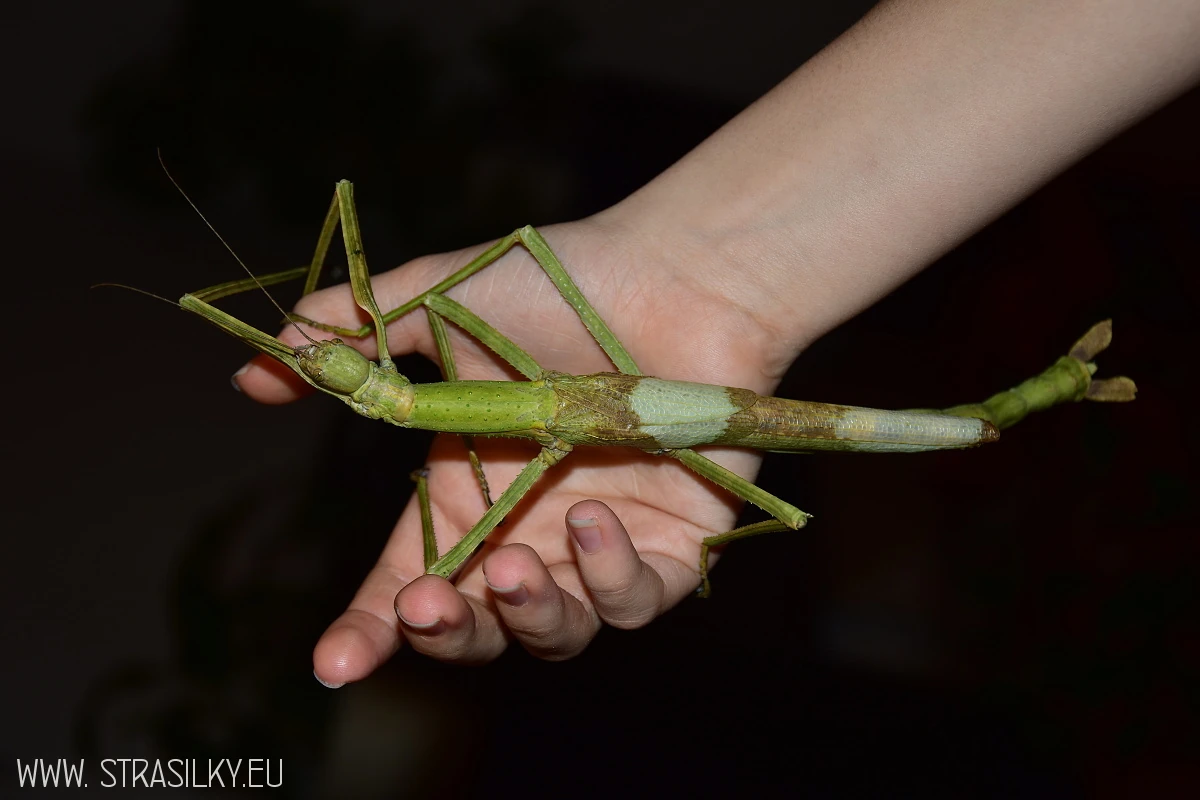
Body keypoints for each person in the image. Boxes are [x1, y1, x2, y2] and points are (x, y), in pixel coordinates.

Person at [232, 0, 1200, 686]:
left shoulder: (440, 397)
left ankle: (1031, 395)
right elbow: (412, 374)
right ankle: (1027, 399)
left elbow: (413, 380)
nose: (338, 362)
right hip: (631, 409)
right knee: (848, 475)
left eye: (339, 365)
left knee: (865, 464)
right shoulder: (428, 381)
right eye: (343, 375)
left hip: (629, 409)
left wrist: (693, 274)